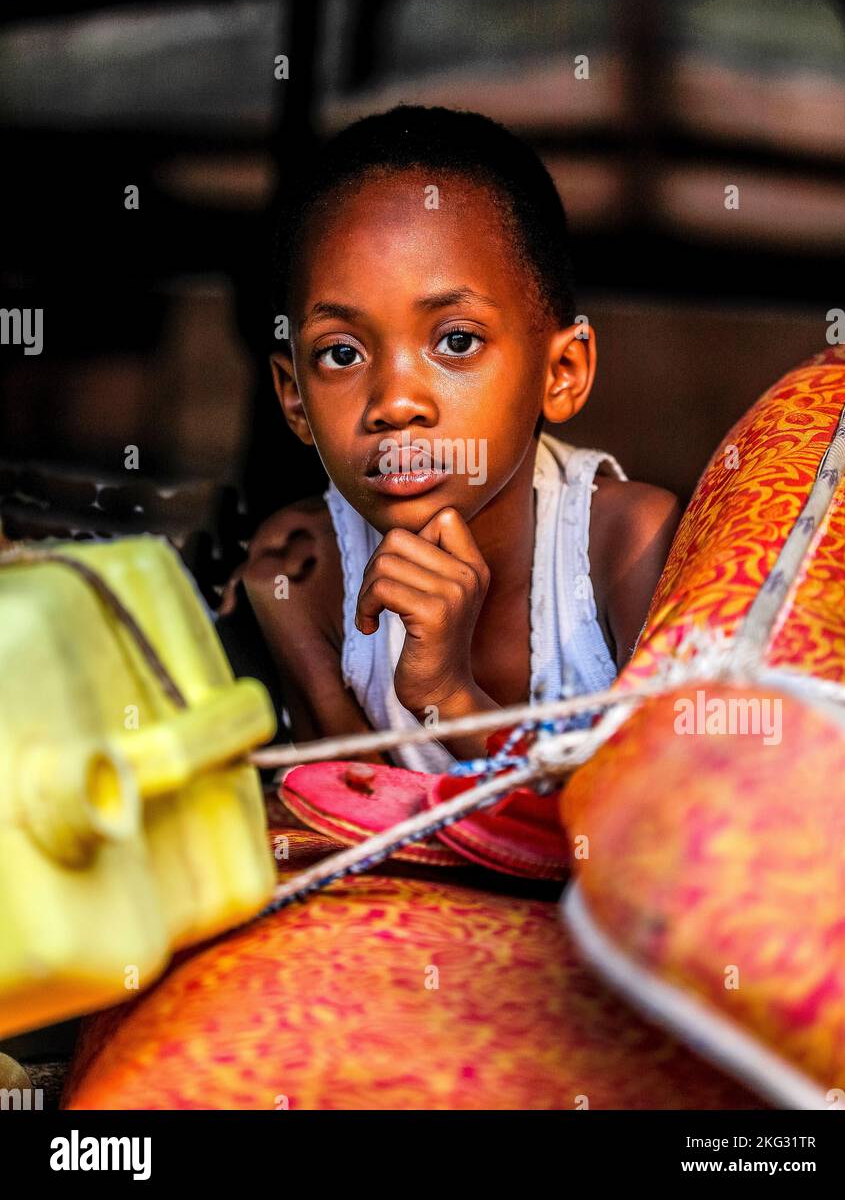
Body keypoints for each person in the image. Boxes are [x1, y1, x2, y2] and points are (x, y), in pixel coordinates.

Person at [220, 105, 680, 769]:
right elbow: (357, 823)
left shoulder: (625, 549)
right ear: (294, 397)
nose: (394, 403)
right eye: (341, 354)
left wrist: (448, 697)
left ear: (562, 371)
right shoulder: (312, 569)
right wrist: (298, 641)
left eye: (456, 341)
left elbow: (648, 823)